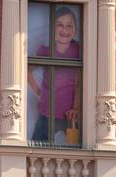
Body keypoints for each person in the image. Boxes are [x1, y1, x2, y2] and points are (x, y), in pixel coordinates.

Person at [27, 5, 82, 143]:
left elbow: (78, 82)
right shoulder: (45, 51)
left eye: (69, 26)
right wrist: (39, 92)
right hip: (47, 112)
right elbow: (27, 69)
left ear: (75, 30)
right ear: (52, 28)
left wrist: (75, 107)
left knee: (73, 148)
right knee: (36, 145)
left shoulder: (78, 51)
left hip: (69, 116)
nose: (65, 30)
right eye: (60, 25)